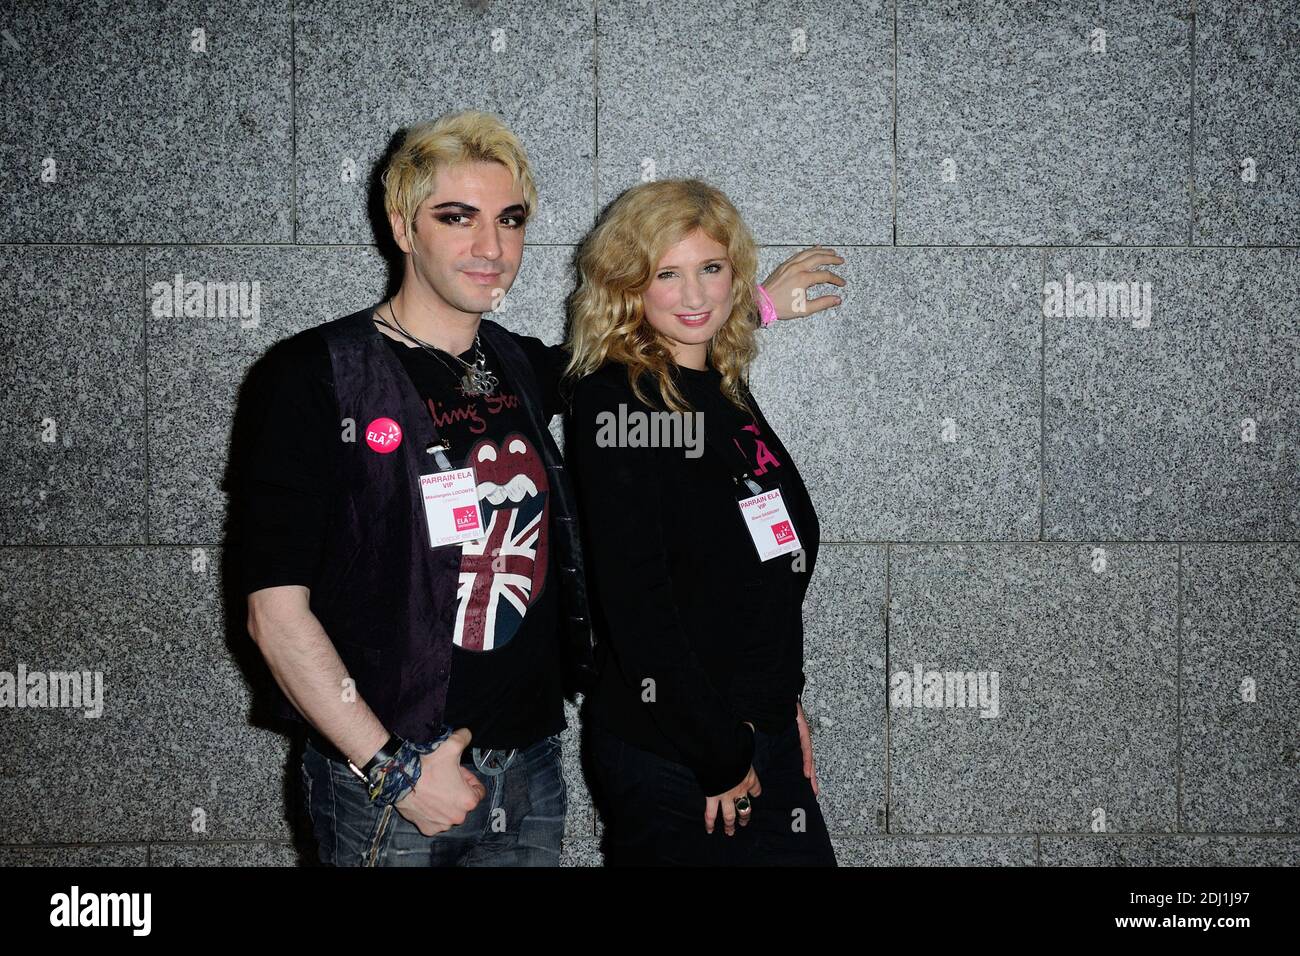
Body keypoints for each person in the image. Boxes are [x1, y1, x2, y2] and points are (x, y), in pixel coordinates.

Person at [236, 110, 842, 866]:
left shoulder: (519, 367)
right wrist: (390, 767)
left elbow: (649, 345)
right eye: (457, 218)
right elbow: (274, 613)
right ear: (401, 226)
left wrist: (755, 306)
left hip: (528, 765)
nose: (490, 247)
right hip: (396, 779)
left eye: (510, 220)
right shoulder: (314, 375)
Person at [564, 178, 840, 865]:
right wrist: (717, 753)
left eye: (711, 269)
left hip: (758, 729)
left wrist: (781, 705)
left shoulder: (719, 386)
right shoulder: (617, 407)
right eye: (667, 274)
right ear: (629, 285)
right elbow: (640, 611)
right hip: (680, 752)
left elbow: (752, 574)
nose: (695, 297)